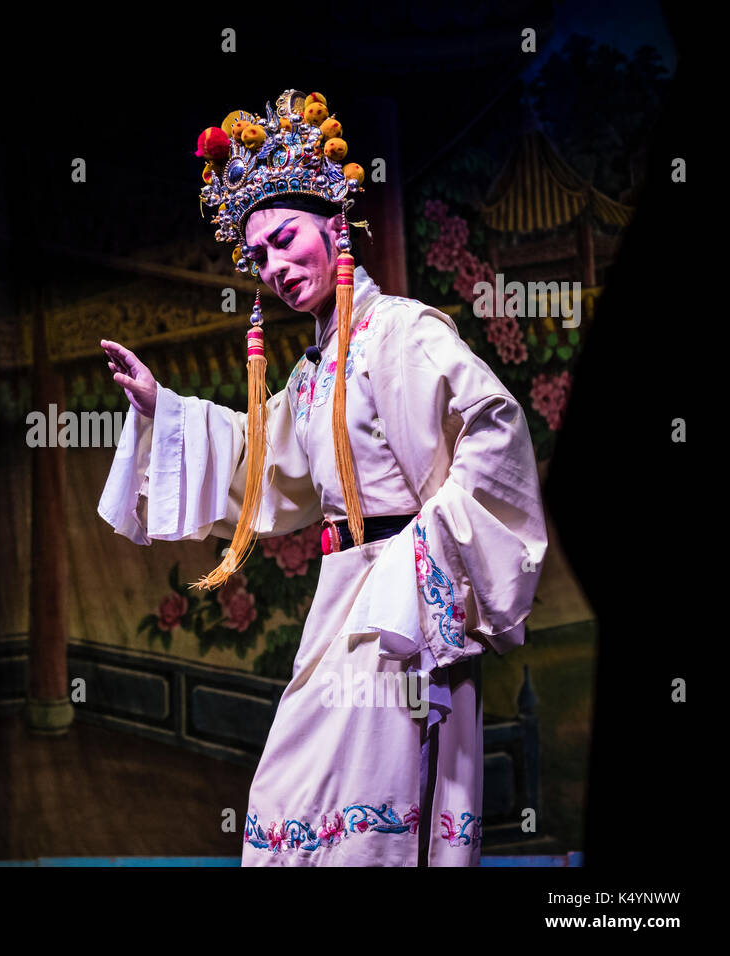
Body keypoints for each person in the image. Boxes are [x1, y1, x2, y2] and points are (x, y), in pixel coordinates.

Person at [97, 90, 546, 865]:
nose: (273, 267)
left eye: (284, 239)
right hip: (346, 595)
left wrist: (431, 547)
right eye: (258, 257)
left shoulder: (397, 331)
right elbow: (257, 458)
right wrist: (160, 408)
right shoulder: (313, 373)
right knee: (297, 804)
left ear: (337, 228)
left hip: (404, 599)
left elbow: (494, 424)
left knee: (365, 811)